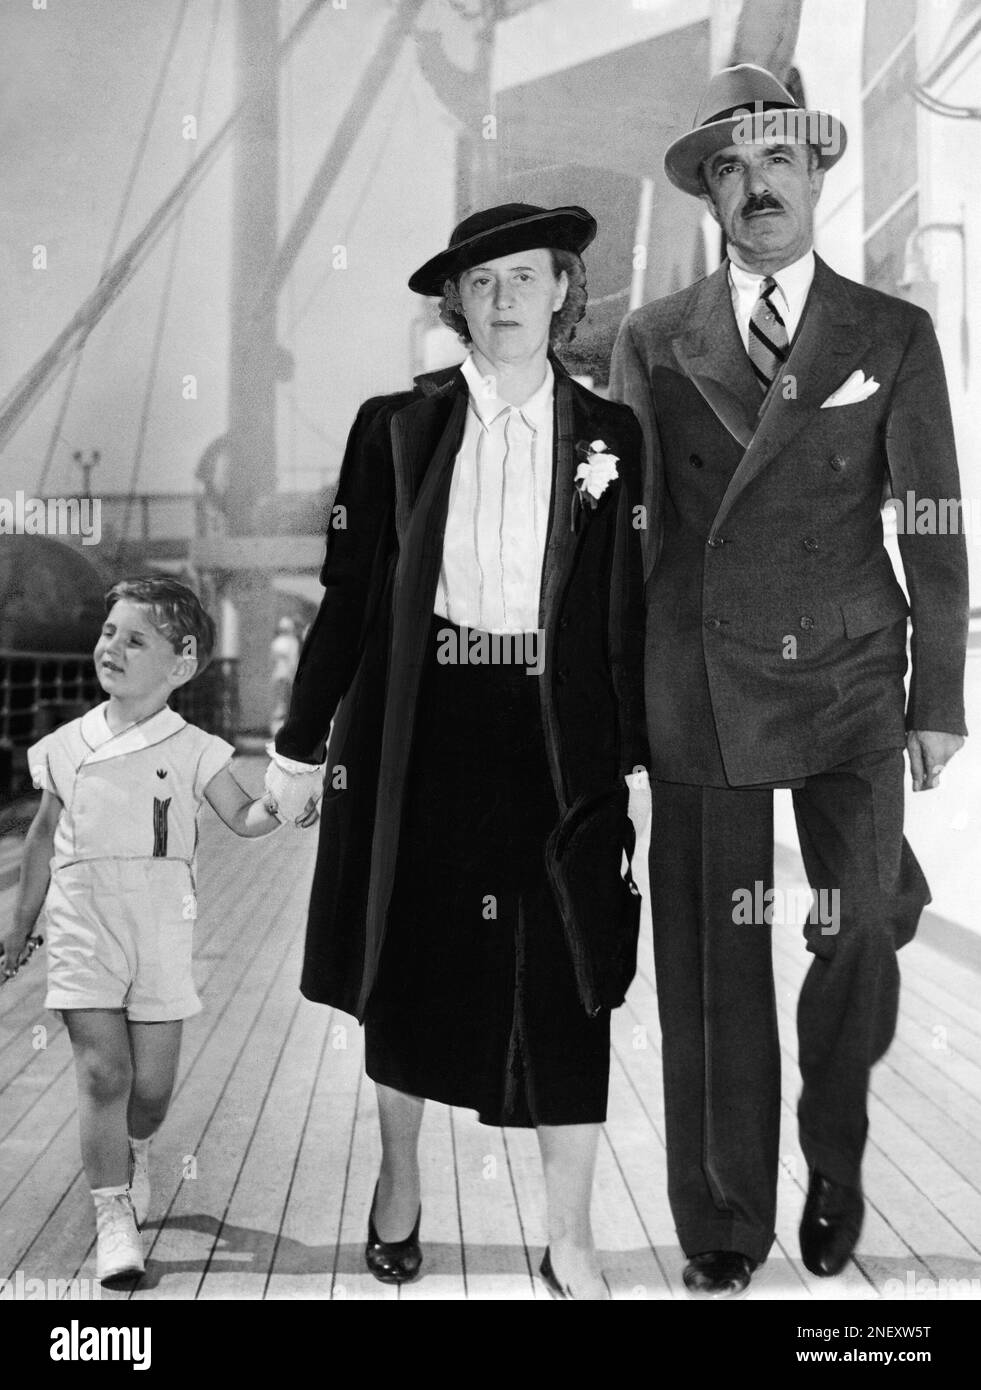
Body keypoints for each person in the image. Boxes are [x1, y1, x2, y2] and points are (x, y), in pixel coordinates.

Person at [610, 65, 969, 1297]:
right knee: (712, 951)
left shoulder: (891, 331)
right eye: (730, 167)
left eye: (777, 160)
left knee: (860, 920)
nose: (755, 184)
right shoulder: (655, 338)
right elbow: (633, 535)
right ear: (710, 194)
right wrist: (617, 704)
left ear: (816, 173)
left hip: (853, 673)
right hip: (701, 669)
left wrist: (938, 698)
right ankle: (721, 1220)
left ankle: (834, 1147)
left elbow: (933, 522)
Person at [266, 202, 648, 1299]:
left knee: (573, 971)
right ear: (456, 305)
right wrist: (298, 748)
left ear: (563, 290)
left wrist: (638, 762)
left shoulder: (612, 436)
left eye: (525, 277)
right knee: (410, 963)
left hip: (559, 737)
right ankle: (399, 1185)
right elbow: (348, 597)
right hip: (427, 726)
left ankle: (568, 1236)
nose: (503, 299)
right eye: (480, 283)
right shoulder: (395, 426)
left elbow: (626, 608)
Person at [0, 578, 316, 1285]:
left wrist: (285, 801)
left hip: (161, 930)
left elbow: (244, 818)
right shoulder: (65, 745)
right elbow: (43, 836)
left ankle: (134, 1148)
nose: (111, 646)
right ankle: (113, 1212)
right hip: (84, 926)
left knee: (151, 1094)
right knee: (104, 1073)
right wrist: (19, 924)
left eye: (135, 639)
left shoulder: (197, 747)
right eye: (109, 632)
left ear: (183, 662)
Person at [269, 616, 301, 736]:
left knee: (279, 704)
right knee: (285, 704)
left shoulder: (276, 642)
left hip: (277, 675)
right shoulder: (292, 642)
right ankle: (281, 729)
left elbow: (272, 660)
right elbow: (294, 662)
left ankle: (277, 729)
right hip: (287, 676)